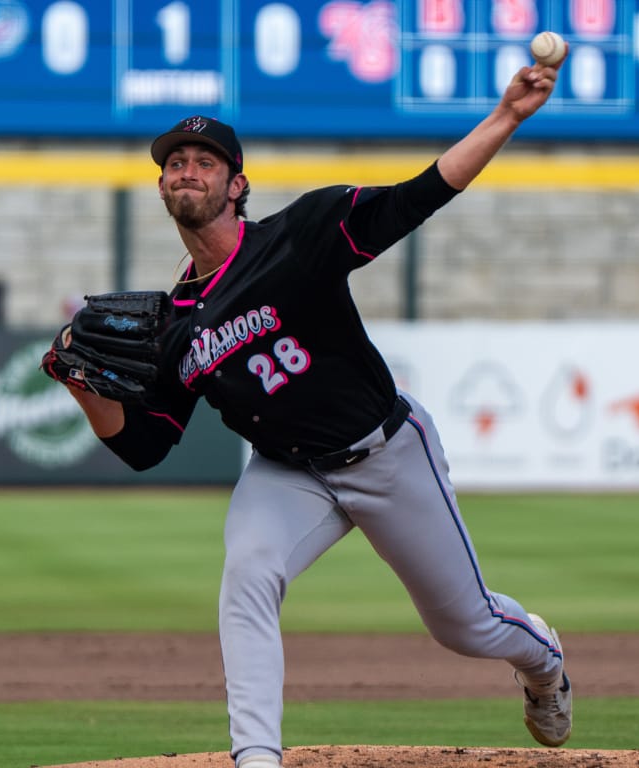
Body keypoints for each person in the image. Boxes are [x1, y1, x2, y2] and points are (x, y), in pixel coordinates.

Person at [53, 54, 573, 768]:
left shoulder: (301, 234)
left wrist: (508, 115)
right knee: (247, 580)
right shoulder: (172, 324)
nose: (187, 170)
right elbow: (144, 446)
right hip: (287, 473)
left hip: (385, 451)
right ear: (162, 186)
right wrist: (82, 386)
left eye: (205, 160)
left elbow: (419, 195)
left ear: (236, 185)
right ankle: (257, 758)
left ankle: (543, 663)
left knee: (465, 625)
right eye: (174, 162)